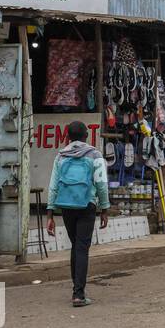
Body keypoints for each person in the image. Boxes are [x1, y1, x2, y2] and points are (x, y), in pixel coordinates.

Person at [45, 120, 110, 306]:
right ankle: (78, 294)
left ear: (68, 137)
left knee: (76, 245)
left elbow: (53, 186)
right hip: (87, 205)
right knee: (82, 247)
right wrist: (104, 209)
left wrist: (50, 213)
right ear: (86, 136)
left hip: (66, 206)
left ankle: (77, 289)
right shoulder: (95, 155)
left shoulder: (61, 156)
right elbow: (102, 185)